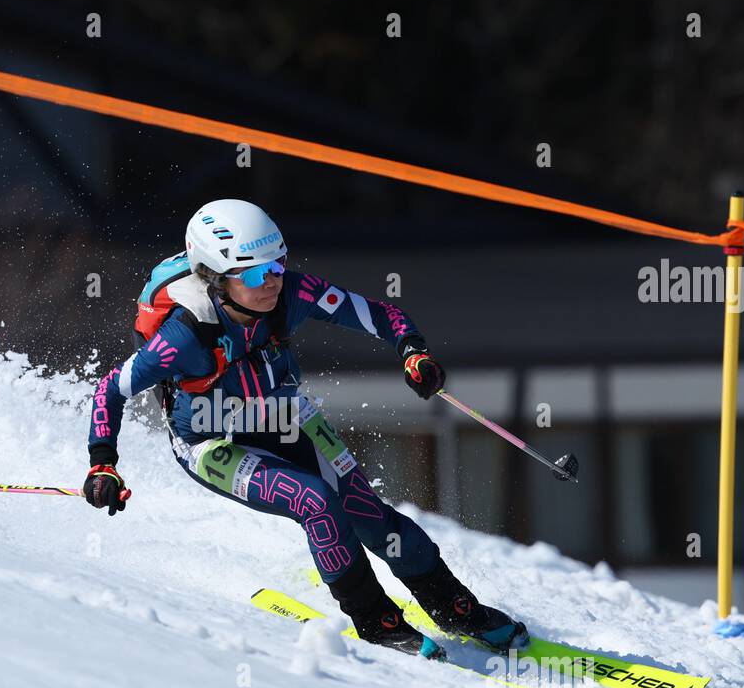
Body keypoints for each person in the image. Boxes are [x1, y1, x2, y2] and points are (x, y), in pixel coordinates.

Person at [83, 199, 526, 657]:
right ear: (216, 279)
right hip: (211, 439)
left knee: (370, 515)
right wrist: (103, 465)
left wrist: (412, 352)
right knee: (315, 501)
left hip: (285, 416)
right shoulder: (183, 338)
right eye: (254, 274)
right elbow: (109, 391)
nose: (272, 281)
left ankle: (455, 608)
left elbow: (380, 314)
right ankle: (375, 620)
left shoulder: (292, 293)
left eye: (278, 265)